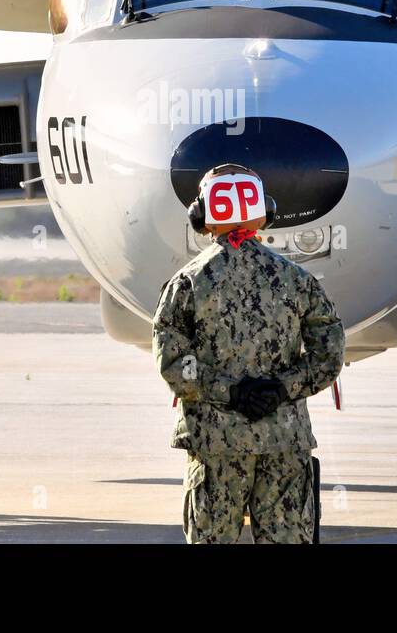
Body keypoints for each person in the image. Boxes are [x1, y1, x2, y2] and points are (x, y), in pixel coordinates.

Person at [152, 163, 345, 543]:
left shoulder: (188, 283)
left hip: (216, 445)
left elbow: (173, 362)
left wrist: (230, 392)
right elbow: (328, 355)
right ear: (265, 213)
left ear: (202, 218)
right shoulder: (298, 280)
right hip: (284, 440)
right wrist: (281, 388)